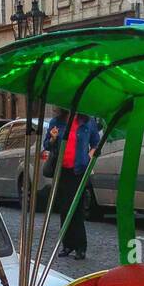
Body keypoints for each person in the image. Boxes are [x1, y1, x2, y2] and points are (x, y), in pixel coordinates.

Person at [45, 111, 98, 259]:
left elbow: (96, 142)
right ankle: (67, 244)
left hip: (79, 170)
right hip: (62, 170)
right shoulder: (56, 122)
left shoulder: (87, 121)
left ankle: (81, 246)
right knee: (64, 207)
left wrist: (90, 155)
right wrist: (53, 138)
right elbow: (46, 144)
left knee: (77, 207)